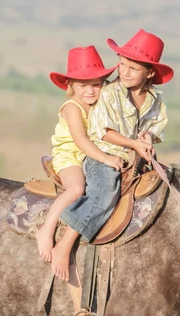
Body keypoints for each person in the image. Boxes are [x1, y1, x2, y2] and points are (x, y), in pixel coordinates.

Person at [51, 29, 174, 281]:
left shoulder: (155, 100)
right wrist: (132, 143)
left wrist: (147, 139)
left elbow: (154, 128)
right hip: (102, 155)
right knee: (105, 191)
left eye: (132, 68)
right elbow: (103, 132)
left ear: (149, 72)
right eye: (122, 65)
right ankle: (66, 242)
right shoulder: (109, 93)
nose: (124, 72)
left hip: (134, 157)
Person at [36, 45, 122, 263]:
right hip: (70, 155)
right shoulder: (72, 107)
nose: (90, 91)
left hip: (88, 155)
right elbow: (80, 140)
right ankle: (47, 229)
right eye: (83, 85)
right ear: (70, 85)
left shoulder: (99, 104)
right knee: (77, 188)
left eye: (96, 84)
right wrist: (106, 158)